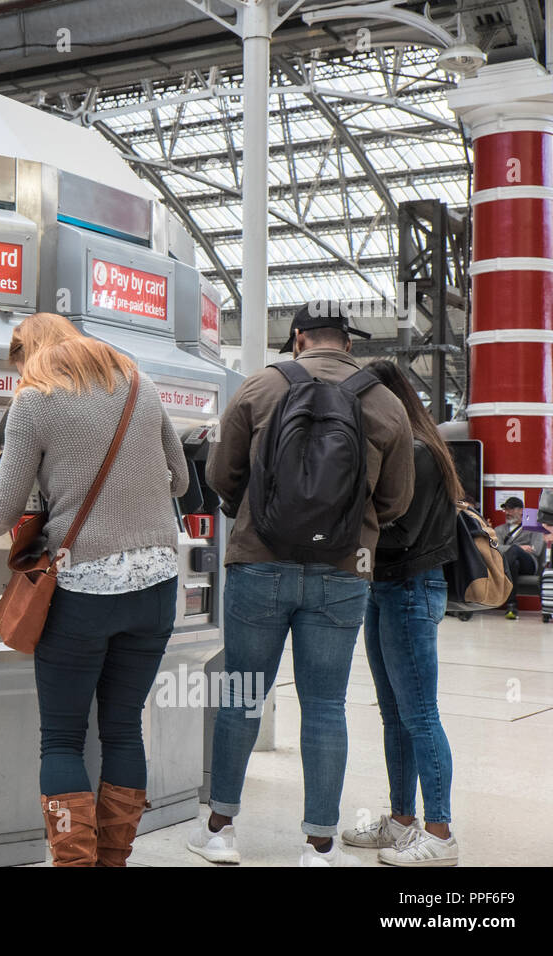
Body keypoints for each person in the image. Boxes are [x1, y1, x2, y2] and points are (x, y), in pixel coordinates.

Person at [191, 301, 415, 867]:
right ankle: (318, 845)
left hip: (258, 564)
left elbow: (221, 473)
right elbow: (396, 500)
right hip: (344, 572)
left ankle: (219, 830)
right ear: (347, 342)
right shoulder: (385, 402)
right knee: (324, 705)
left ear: (297, 340)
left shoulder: (259, 387)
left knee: (242, 697)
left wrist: (261, 516)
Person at [0, 312, 189, 867]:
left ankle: (73, 863)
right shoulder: (137, 380)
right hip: (157, 586)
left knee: (62, 740)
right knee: (123, 728)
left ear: (25, 353)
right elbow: (180, 480)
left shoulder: (35, 400)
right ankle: (113, 861)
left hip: (83, 589)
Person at [339, 360, 460, 866]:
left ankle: (440, 833)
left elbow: (401, 532)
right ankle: (402, 819)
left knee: (419, 714)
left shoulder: (417, 453)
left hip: (409, 589)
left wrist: (344, 529)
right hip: (388, 589)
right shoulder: (411, 446)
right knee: (395, 715)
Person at [492, 496, 542, 620]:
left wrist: (515, 549)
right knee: (514, 562)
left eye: (511, 509)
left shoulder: (533, 527)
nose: (507, 513)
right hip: (512, 563)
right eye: (506, 510)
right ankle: (511, 605)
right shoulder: (499, 529)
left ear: (521, 511)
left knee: (514, 551)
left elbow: (537, 549)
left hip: (529, 563)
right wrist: (520, 547)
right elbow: (495, 548)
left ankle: (500, 581)